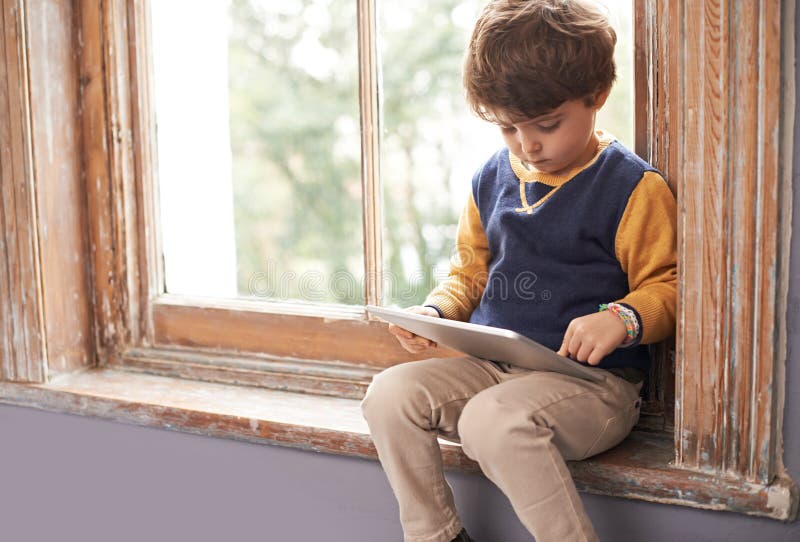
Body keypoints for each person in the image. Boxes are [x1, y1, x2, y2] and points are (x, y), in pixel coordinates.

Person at [360, 1, 677, 541]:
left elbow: (669, 287)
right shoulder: (491, 178)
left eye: (547, 125)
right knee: (388, 395)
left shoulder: (631, 187)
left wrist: (622, 319)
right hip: (498, 371)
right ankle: (436, 535)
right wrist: (436, 312)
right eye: (509, 129)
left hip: (593, 386)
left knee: (492, 421)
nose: (528, 145)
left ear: (597, 96)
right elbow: (469, 274)